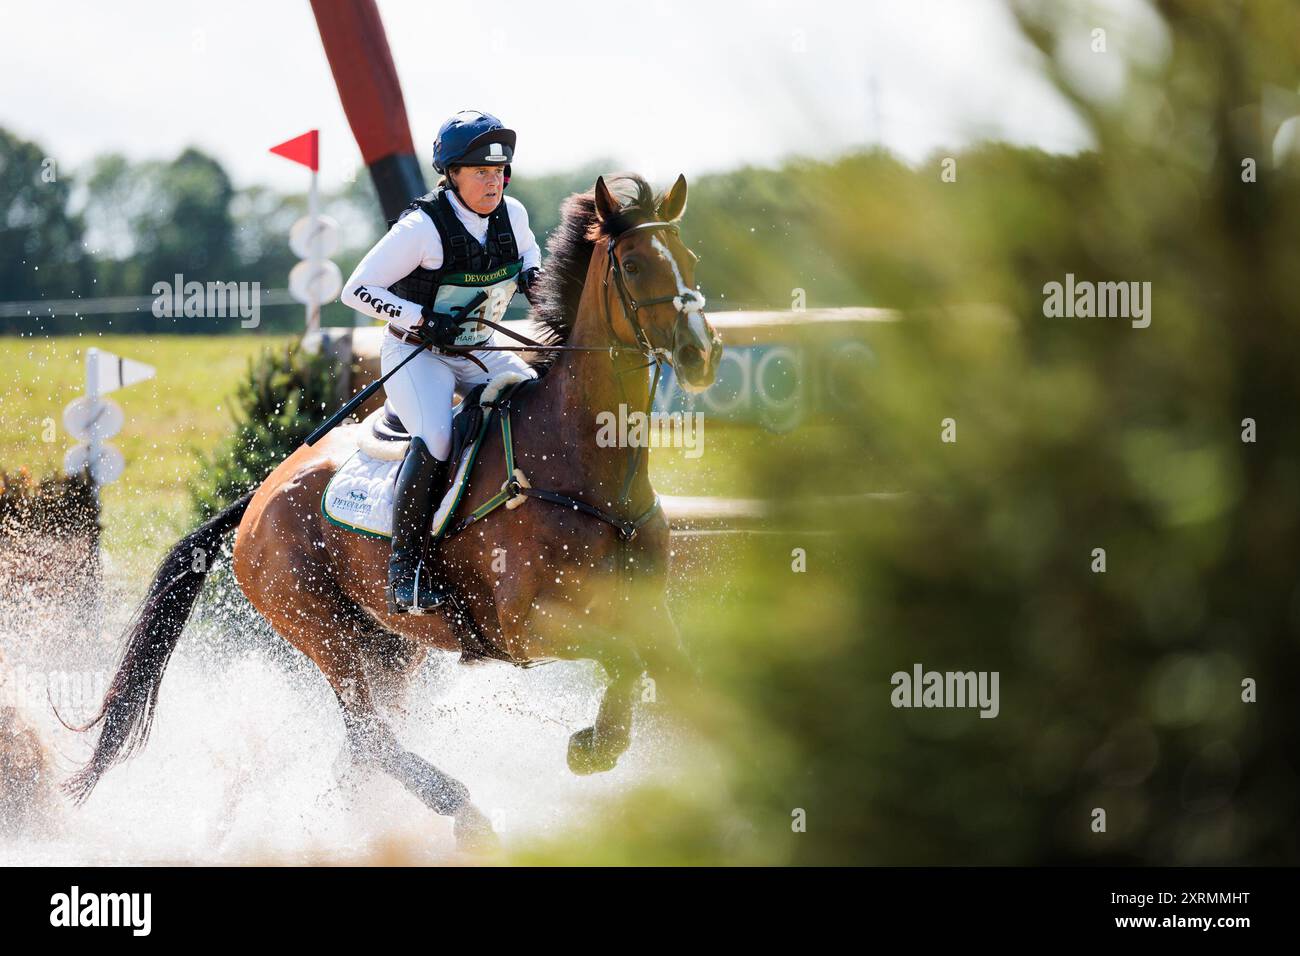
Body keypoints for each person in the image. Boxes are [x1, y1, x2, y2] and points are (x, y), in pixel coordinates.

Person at [341, 110, 543, 614]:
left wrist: (541, 289)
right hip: (417, 352)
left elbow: (531, 266)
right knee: (436, 435)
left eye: (499, 173)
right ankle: (405, 569)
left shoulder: (512, 215)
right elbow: (356, 289)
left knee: (536, 404)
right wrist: (421, 318)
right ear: (451, 175)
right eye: (481, 173)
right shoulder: (421, 228)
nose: (493, 182)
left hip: (480, 348)